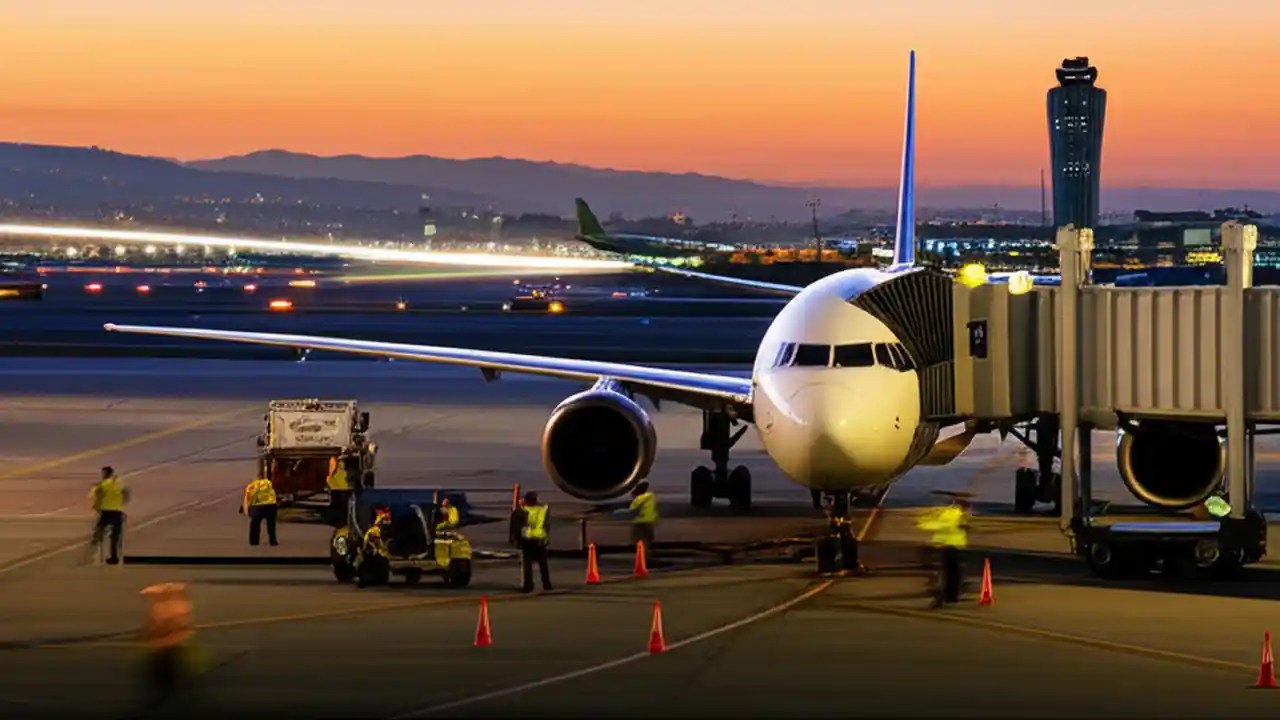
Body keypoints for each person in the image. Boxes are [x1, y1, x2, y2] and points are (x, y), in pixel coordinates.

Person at [916, 496, 970, 606]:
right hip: (955, 545)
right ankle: (952, 595)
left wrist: (923, 524)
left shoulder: (953, 513)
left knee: (949, 571)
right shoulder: (960, 514)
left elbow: (942, 524)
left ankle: (946, 594)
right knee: (954, 572)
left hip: (949, 544)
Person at [511, 491, 552, 593]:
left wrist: (515, 539)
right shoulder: (542, 509)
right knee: (541, 564)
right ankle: (546, 583)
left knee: (528, 565)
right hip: (538, 540)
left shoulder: (520, 511)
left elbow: (514, 527)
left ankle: (529, 585)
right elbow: (546, 524)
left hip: (529, 540)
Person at [88, 466, 129, 565]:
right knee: (115, 537)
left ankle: (92, 553)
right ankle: (114, 558)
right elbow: (125, 494)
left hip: (105, 512)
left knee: (98, 532)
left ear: (105, 474)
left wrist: (96, 507)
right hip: (117, 512)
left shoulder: (102, 485)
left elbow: (96, 497)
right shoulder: (119, 483)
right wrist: (121, 503)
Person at [240, 475, 279, 546]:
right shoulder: (269, 484)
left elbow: (248, 499)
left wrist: (246, 510)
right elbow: (273, 495)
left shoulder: (251, 486)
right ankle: (273, 540)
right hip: (270, 505)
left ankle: (254, 541)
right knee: (271, 523)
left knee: (255, 524)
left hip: (257, 506)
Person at [628, 481, 659, 553]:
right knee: (648, 540)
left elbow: (632, 511)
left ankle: (643, 557)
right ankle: (648, 557)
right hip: (649, 522)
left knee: (638, 541)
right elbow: (654, 509)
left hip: (639, 522)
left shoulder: (637, 499)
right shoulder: (651, 497)